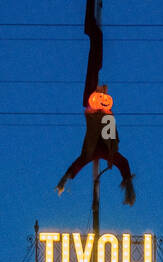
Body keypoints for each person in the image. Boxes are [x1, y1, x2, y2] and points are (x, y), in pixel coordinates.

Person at [56, 0, 135, 206]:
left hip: (91, 105)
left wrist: (64, 179)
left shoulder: (95, 150)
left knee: (94, 60)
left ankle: (90, 19)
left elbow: (80, 162)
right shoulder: (106, 147)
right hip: (94, 107)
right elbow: (121, 162)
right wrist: (127, 183)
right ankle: (91, 24)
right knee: (96, 58)